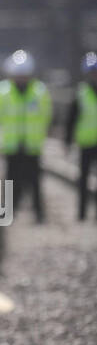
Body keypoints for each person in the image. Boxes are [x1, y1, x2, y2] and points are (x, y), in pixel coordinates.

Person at [0, 50, 52, 224]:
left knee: (34, 180)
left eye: (24, 76)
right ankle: (8, 211)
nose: (21, 79)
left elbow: (46, 115)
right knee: (11, 179)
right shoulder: (3, 91)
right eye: (18, 76)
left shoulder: (39, 92)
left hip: (32, 145)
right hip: (12, 145)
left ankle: (39, 213)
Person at [64, 51, 97, 222]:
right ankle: (82, 214)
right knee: (83, 180)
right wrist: (68, 141)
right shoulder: (81, 93)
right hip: (86, 143)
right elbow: (71, 119)